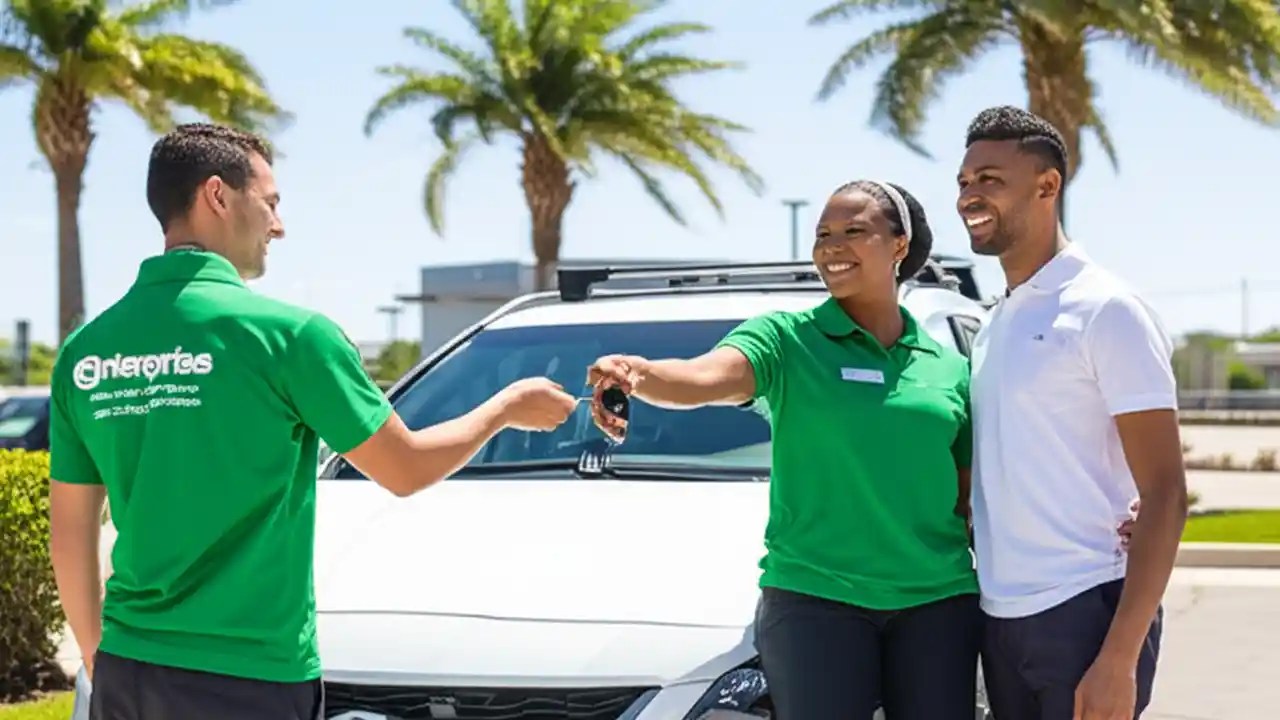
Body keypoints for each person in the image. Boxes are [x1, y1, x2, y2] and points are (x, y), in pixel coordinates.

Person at [47, 123, 578, 720]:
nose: (278, 225)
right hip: (248, 679)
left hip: (129, 670)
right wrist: (503, 408)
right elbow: (404, 468)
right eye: (270, 203)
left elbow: (69, 535)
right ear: (218, 196)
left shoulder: (85, 353)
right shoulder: (293, 338)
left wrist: (101, 661)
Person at [588, 180, 981, 719]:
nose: (831, 247)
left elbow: (968, 497)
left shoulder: (949, 368)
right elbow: (704, 378)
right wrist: (641, 374)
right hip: (817, 603)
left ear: (899, 246)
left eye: (853, 232)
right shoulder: (786, 340)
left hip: (937, 604)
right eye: (823, 234)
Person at [957, 106, 1188, 720]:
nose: (970, 196)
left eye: (989, 180)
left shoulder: (1106, 308)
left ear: (1047, 186)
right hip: (1000, 616)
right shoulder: (995, 323)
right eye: (964, 181)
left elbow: (1165, 491)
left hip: (1086, 609)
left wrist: (1118, 660)